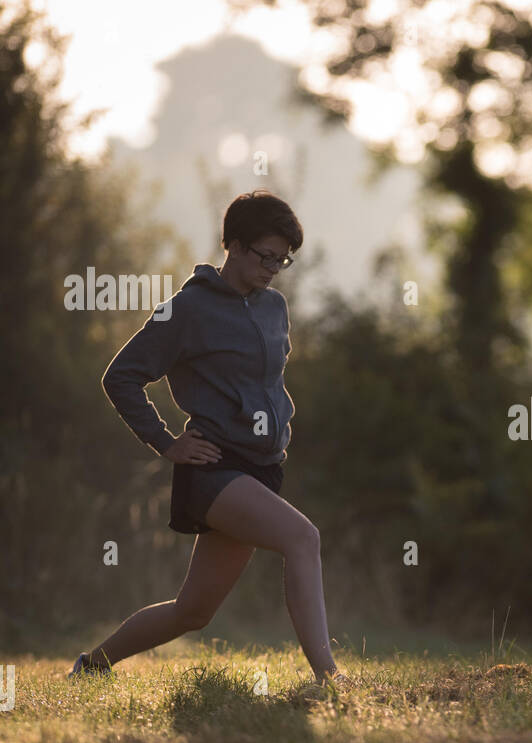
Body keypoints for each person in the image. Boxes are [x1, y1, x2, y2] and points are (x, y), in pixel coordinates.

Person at [69, 190, 345, 690]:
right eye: (266, 256)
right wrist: (166, 442)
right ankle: (330, 678)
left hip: (262, 468)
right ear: (233, 245)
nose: (274, 268)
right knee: (303, 538)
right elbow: (122, 376)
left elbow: (266, 380)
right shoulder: (186, 310)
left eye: (283, 260)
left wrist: (281, 420)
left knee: (192, 612)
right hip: (213, 466)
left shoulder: (274, 307)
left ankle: (91, 665)